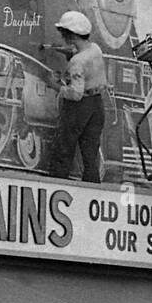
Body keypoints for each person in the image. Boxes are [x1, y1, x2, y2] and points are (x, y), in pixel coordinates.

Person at [45, 10, 107, 182]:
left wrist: (55, 85)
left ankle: (57, 185)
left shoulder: (77, 62)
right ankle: (93, 189)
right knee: (90, 153)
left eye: (64, 34)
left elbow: (76, 94)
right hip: (97, 105)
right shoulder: (95, 49)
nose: (63, 38)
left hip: (80, 107)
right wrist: (69, 53)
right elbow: (86, 59)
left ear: (70, 36)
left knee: (64, 148)